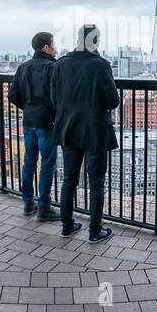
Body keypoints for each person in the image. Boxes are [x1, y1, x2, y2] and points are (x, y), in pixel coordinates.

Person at [51, 22, 120, 242]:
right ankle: (94, 231)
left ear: (78, 40)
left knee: (69, 179)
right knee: (96, 182)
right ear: (97, 41)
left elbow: (55, 99)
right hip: (94, 131)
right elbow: (113, 100)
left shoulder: (60, 64)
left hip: (69, 129)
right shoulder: (100, 65)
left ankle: (67, 226)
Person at [9, 31, 60, 219]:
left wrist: (29, 108)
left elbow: (13, 95)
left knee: (29, 161)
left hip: (29, 120)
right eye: (54, 44)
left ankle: (28, 203)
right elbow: (57, 97)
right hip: (46, 122)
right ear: (46, 47)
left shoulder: (23, 67)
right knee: (48, 163)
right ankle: (44, 207)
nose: (56, 47)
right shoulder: (52, 68)